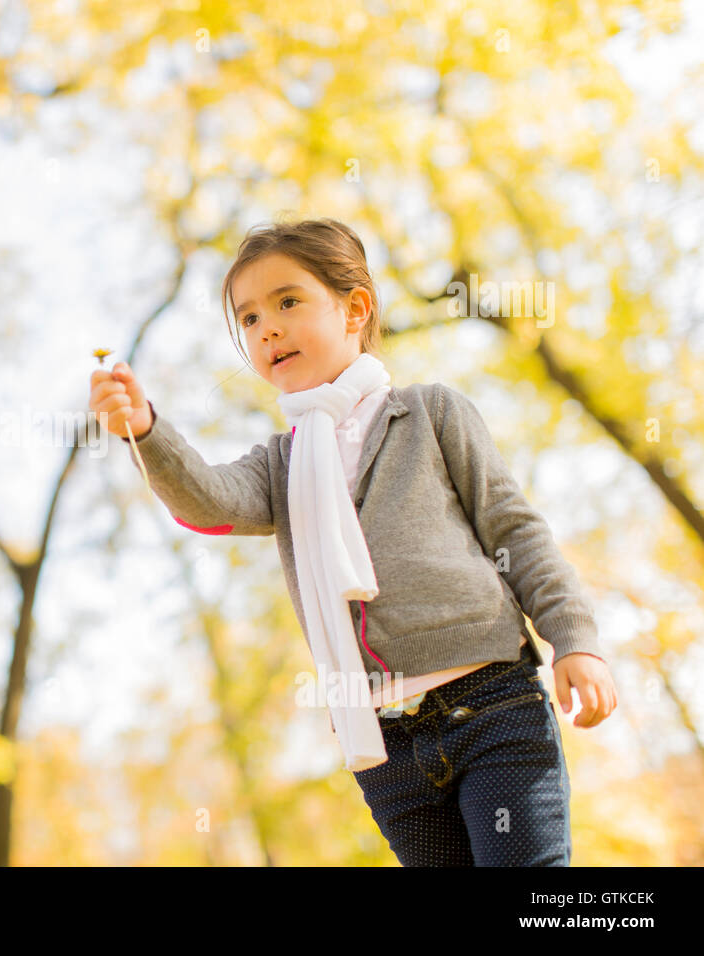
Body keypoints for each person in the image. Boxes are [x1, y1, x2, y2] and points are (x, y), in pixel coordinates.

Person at [87, 218, 617, 866]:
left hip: (491, 705)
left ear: (354, 308)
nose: (268, 328)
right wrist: (145, 430)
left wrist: (574, 638)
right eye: (248, 319)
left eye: (287, 302)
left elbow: (515, 531)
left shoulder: (431, 413)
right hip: (384, 747)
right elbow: (210, 503)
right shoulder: (281, 464)